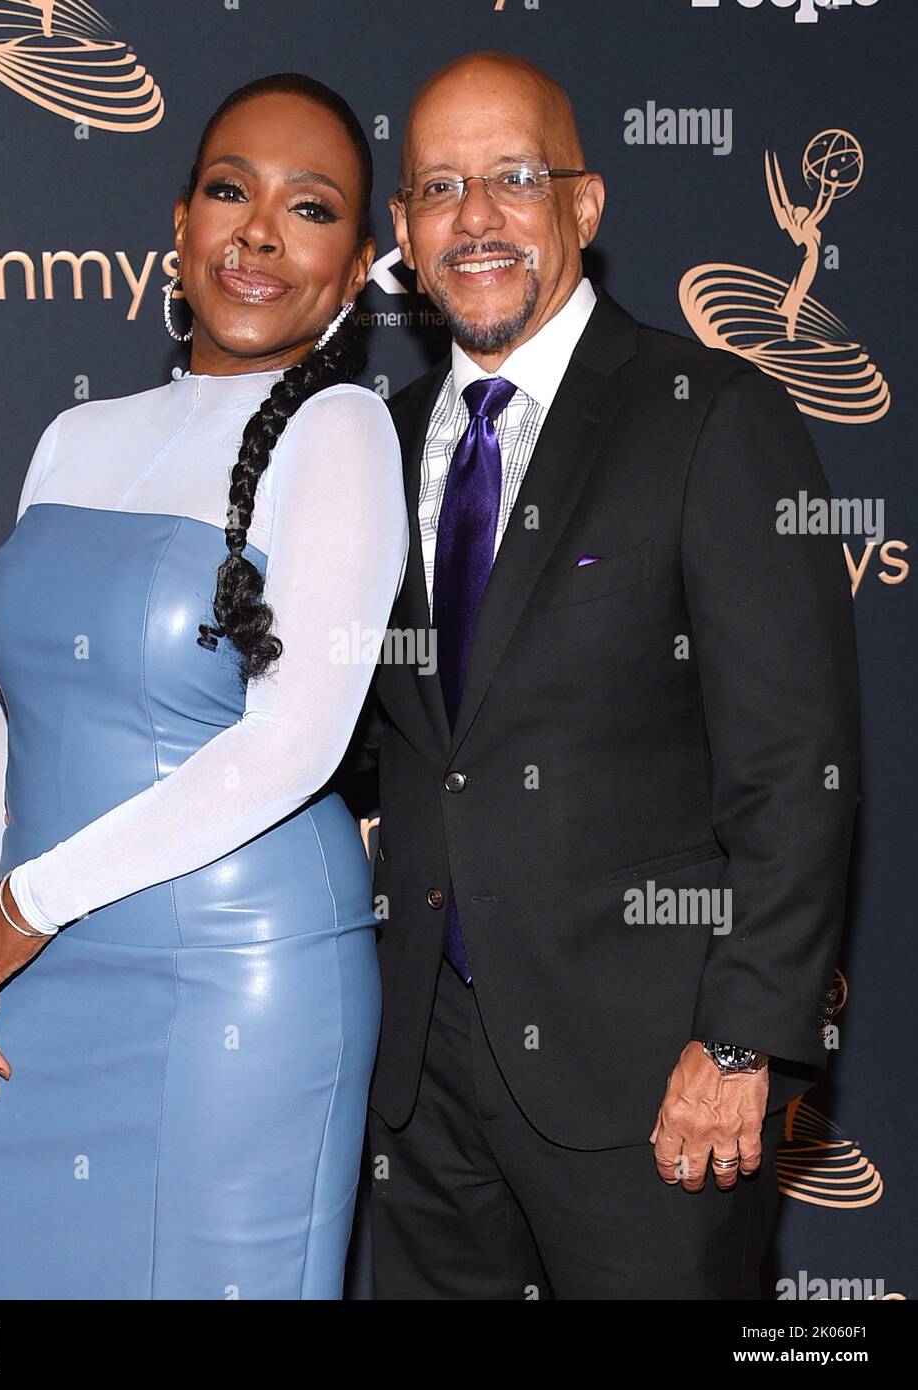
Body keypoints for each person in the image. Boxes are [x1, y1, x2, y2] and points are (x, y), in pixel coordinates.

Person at [361, 51, 860, 1299]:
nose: (474, 217)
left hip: (655, 1079)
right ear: (404, 232)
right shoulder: (372, 439)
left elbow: (795, 767)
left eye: (513, 178)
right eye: (437, 187)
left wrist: (742, 1040)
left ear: (585, 206)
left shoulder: (709, 413)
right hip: (425, 1078)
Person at [0, 72, 407, 1300]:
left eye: (311, 209)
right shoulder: (74, 437)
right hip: (26, 972)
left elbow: (294, 742)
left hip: (233, 983)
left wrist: (27, 903)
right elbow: (16, 712)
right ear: (181, 222)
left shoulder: (342, 432)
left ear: (356, 268)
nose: (258, 233)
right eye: (230, 191)